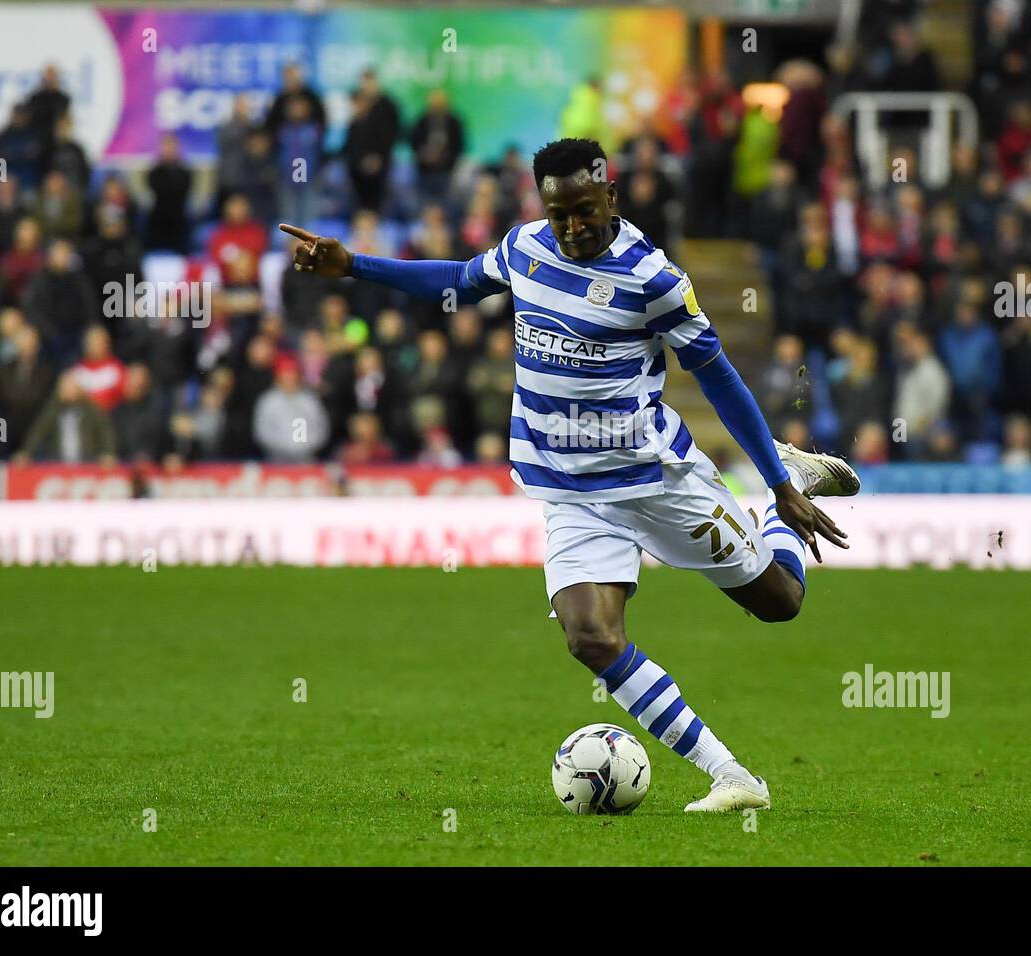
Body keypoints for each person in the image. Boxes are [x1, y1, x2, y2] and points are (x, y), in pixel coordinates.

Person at [280, 137, 860, 813]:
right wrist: (355, 266)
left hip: (656, 480)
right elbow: (459, 281)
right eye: (559, 214)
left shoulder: (654, 279)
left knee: (780, 602)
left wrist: (777, 482)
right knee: (590, 638)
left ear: (610, 196)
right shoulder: (525, 249)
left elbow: (718, 375)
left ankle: (791, 473)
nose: (572, 226)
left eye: (584, 210)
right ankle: (732, 777)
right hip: (569, 489)